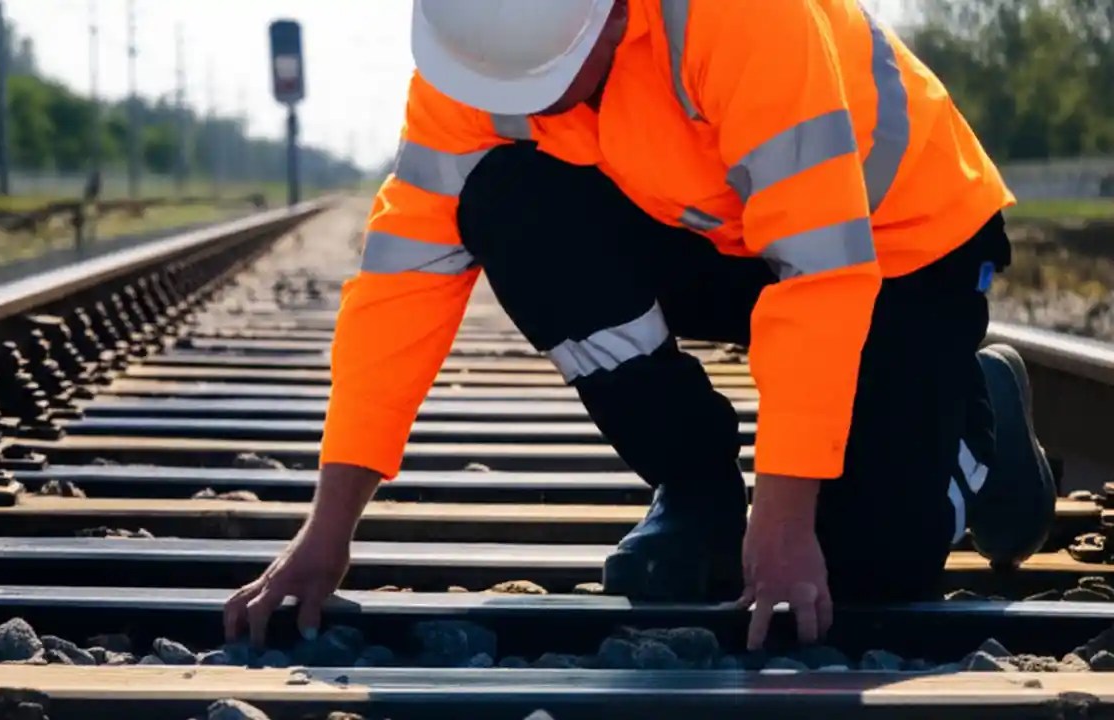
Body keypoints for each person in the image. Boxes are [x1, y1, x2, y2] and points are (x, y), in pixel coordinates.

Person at [226, 0, 1057, 651]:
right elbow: (401, 286)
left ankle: (979, 418)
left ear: (617, 12)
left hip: (902, 247)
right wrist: (326, 530)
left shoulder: (740, 19)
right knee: (508, 201)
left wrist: (784, 516)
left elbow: (820, 272)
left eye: (547, 81)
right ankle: (695, 489)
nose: (522, 107)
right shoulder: (478, 60)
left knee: (866, 570)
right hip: (727, 230)